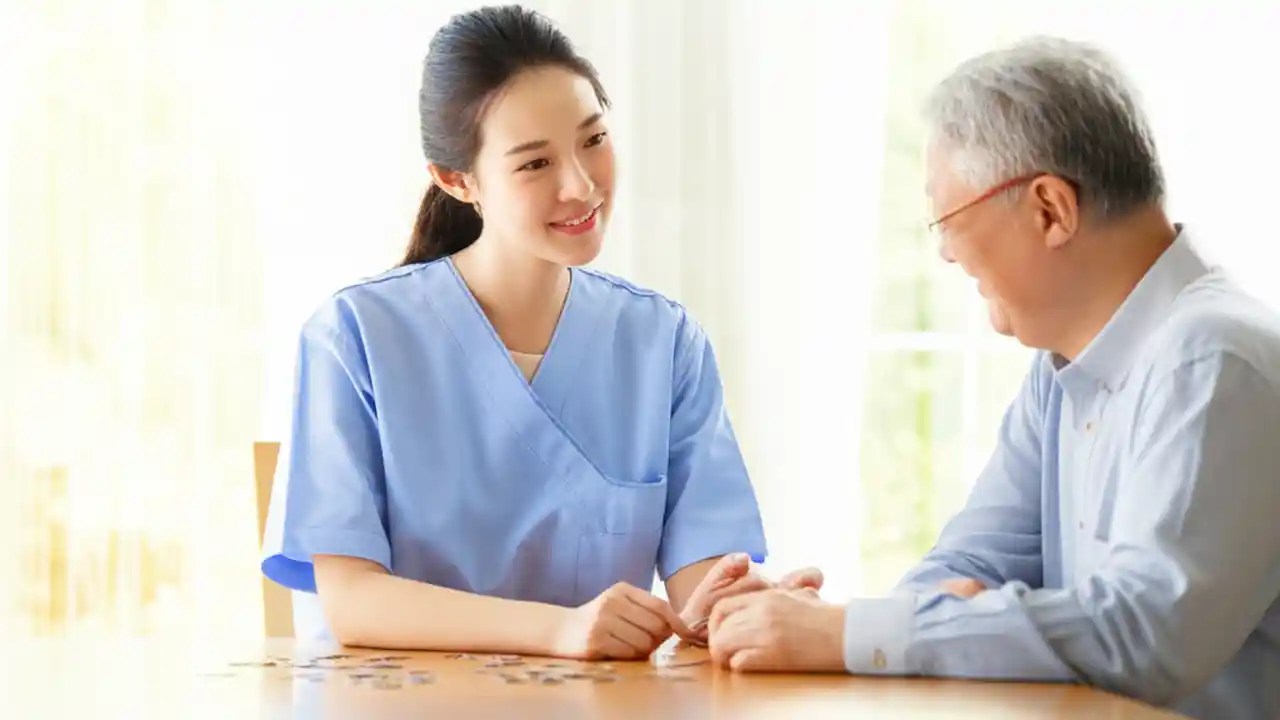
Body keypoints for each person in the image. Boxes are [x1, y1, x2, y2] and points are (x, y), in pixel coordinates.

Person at [707, 37, 1280, 720]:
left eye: (947, 221)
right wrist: (827, 624)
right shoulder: (1061, 371)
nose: (945, 253)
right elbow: (970, 562)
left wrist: (851, 632)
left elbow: (1145, 633)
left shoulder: (1213, 361)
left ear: (1049, 210)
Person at [261, 5, 817, 659]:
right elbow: (352, 601)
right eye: (533, 164)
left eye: (594, 139)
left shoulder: (663, 343)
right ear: (456, 179)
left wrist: (750, 609)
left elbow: (701, 583)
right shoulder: (354, 336)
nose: (581, 186)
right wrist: (559, 628)